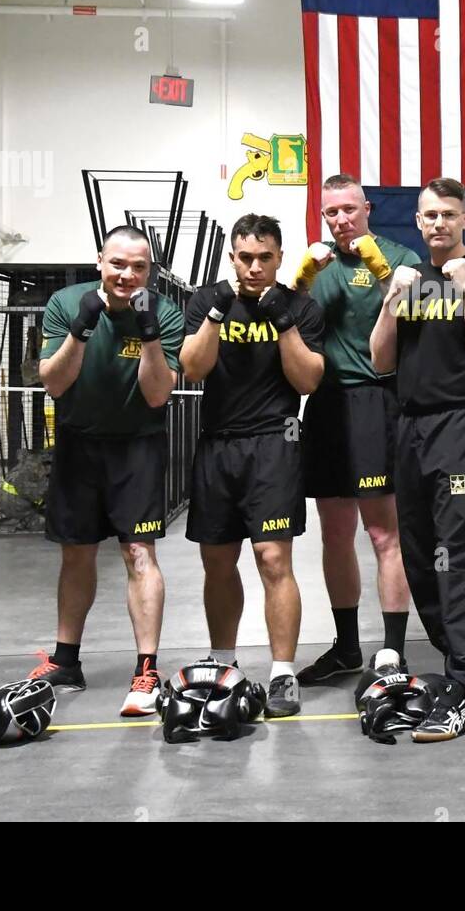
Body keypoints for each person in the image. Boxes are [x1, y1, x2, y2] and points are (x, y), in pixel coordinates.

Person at [369, 178, 465, 741]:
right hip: (411, 426)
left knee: (460, 554)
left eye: (448, 215)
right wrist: (389, 301)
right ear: (418, 220)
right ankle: (459, 665)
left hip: (463, 426)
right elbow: (381, 360)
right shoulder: (408, 277)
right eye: (429, 215)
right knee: (420, 556)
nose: (438, 224)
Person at [31, 226, 184, 717]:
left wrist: (150, 336)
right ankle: (66, 660)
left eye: (138, 267)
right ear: (101, 261)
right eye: (118, 264)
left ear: (150, 271)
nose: (127, 275)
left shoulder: (164, 312)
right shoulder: (66, 302)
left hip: (137, 446)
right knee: (76, 554)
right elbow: (54, 384)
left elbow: (158, 394)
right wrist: (80, 329)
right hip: (78, 444)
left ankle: (146, 670)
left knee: (139, 551)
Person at [179, 214, 326, 718]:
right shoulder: (205, 301)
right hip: (218, 446)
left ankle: (283, 673)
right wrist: (217, 315)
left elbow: (307, 381)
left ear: (280, 257)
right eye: (246, 257)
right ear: (232, 257)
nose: (255, 267)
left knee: (272, 559)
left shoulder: (301, 307)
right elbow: (193, 367)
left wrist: (281, 319)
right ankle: (224, 664)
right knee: (217, 562)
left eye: (266, 257)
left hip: (274, 443)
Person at [292, 173, 418, 684]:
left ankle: (392, 650)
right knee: (335, 533)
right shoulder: (317, 264)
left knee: (384, 531)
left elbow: (413, 315)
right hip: (324, 403)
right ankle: (346, 646)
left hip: (376, 399)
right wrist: (298, 281)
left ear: (366, 208)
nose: (340, 220)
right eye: (330, 213)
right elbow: (287, 323)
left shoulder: (400, 256)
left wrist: (382, 271)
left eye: (348, 209)